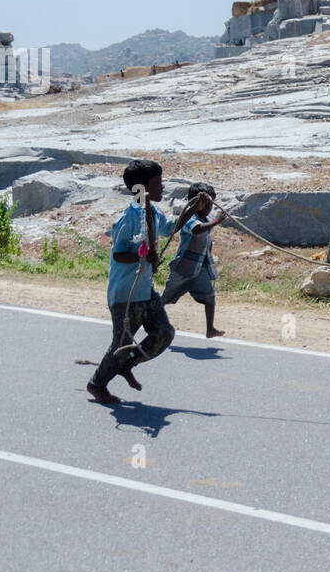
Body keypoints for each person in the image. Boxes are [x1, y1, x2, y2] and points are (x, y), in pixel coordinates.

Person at [87, 159, 195, 405]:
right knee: (121, 344)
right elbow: (118, 254)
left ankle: (128, 364)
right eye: (157, 183)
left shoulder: (153, 213)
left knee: (164, 333)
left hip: (145, 291)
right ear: (141, 189)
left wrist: (194, 207)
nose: (162, 187)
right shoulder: (129, 218)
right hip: (126, 294)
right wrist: (142, 255)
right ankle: (96, 384)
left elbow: (171, 227)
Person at [162, 181, 226, 338]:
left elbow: (207, 226)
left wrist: (214, 221)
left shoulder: (206, 218)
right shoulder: (189, 218)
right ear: (197, 203)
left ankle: (210, 328)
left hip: (199, 269)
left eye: (211, 204)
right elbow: (197, 230)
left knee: (210, 297)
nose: (209, 208)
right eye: (206, 204)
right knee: (164, 298)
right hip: (184, 268)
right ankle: (149, 318)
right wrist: (216, 221)